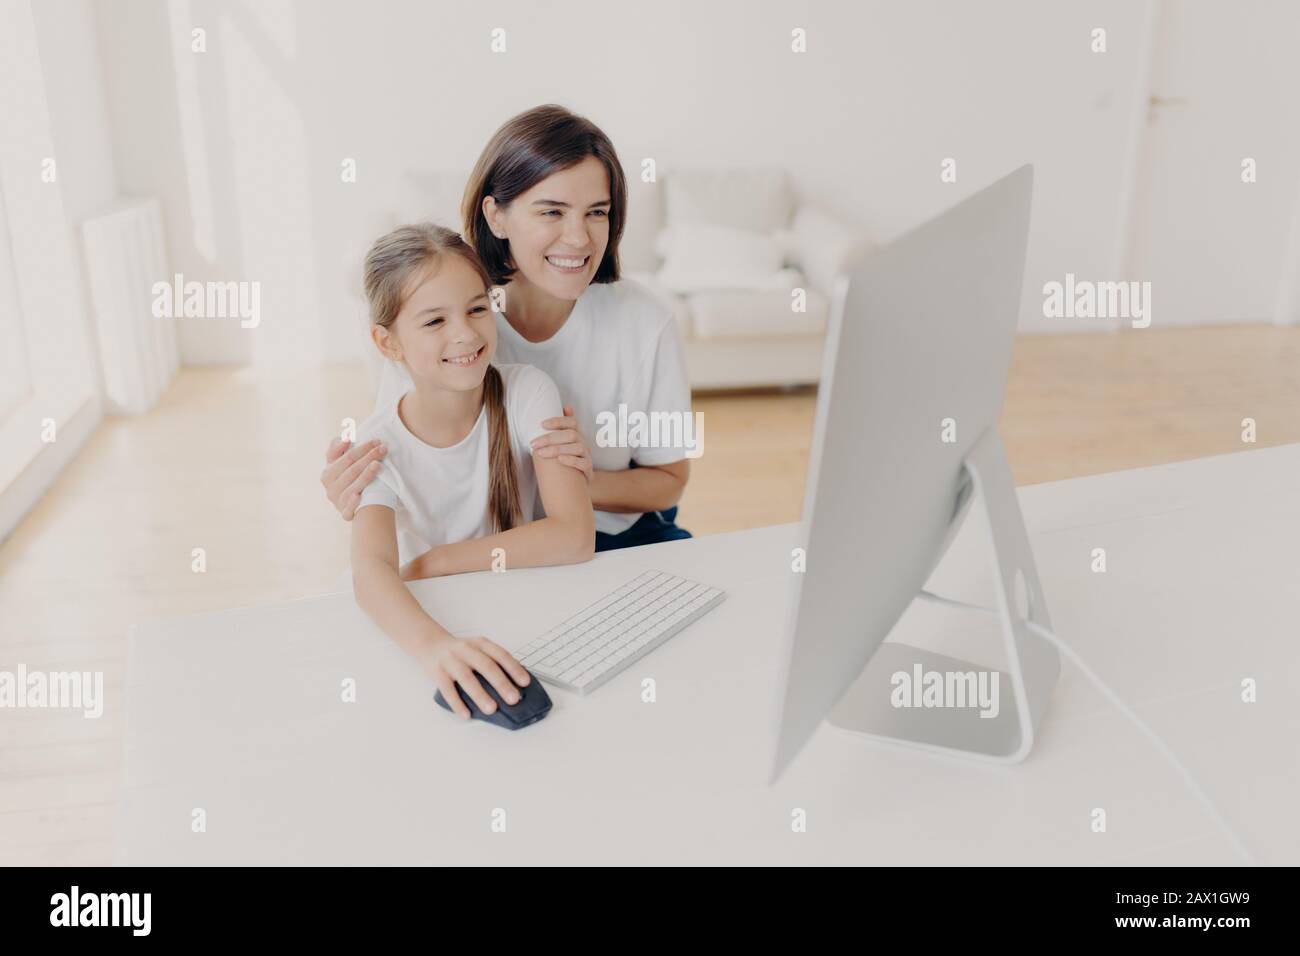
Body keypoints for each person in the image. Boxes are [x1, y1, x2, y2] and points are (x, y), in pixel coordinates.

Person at [322, 104, 695, 555]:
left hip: (619, 535)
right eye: (552, 212)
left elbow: (668, 483)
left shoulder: (645, 322)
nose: (579, 238)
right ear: (495, 215)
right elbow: (406, 460)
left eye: (597, 212)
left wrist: (565, 486)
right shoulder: (450, 321)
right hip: (489, 540)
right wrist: (361, 487)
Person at [349, 223, 593, 720]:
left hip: (505, 599)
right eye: (434, 321)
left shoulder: (528, 391)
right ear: (388, 343)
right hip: (422, 614)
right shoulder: (376, 444)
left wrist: (438, 560)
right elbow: (370, 571)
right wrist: (435, 648)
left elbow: (574, 535)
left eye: (477, 308)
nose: (465, 334)